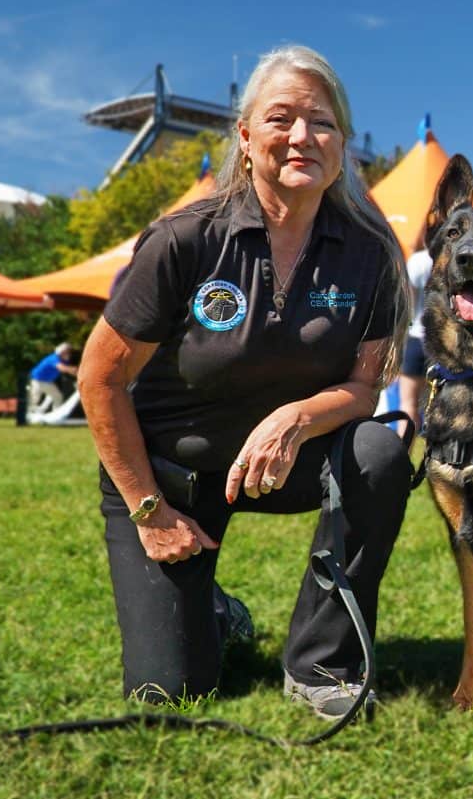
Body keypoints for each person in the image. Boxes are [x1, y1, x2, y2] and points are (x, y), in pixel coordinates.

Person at [77, 45, 413, 721]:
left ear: (342, 142)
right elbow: (99, 379)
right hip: (173, 476)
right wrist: (148, 507)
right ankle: (216, 612)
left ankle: (323, 660)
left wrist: (296, 418)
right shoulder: (185, 239)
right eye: (281, 118)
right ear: (246, 137)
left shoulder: (372, 253)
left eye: (321, 122)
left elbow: (364, 388)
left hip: (291, 462)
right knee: (169, 693)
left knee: (378, 452)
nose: (301, 137)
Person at [396, 230, 432, 439]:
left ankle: (402, 454)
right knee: (437, 407)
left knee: (407, 405)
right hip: (440, 342)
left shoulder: (418, 261)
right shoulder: (450, 258)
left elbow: (407, 302)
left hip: (415, 338)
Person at [28, 342, 78, 415]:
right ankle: (27, 415)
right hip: (38, 381)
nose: (69, 354)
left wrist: (77, 374)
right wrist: (74, 370)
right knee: (34, 399)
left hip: (47, 382)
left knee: (56, 396)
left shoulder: (63, 361)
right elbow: (62, 368)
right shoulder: (54, 358)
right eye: (67, 352)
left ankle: (54, 413)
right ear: (62, 352)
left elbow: (68, 371)